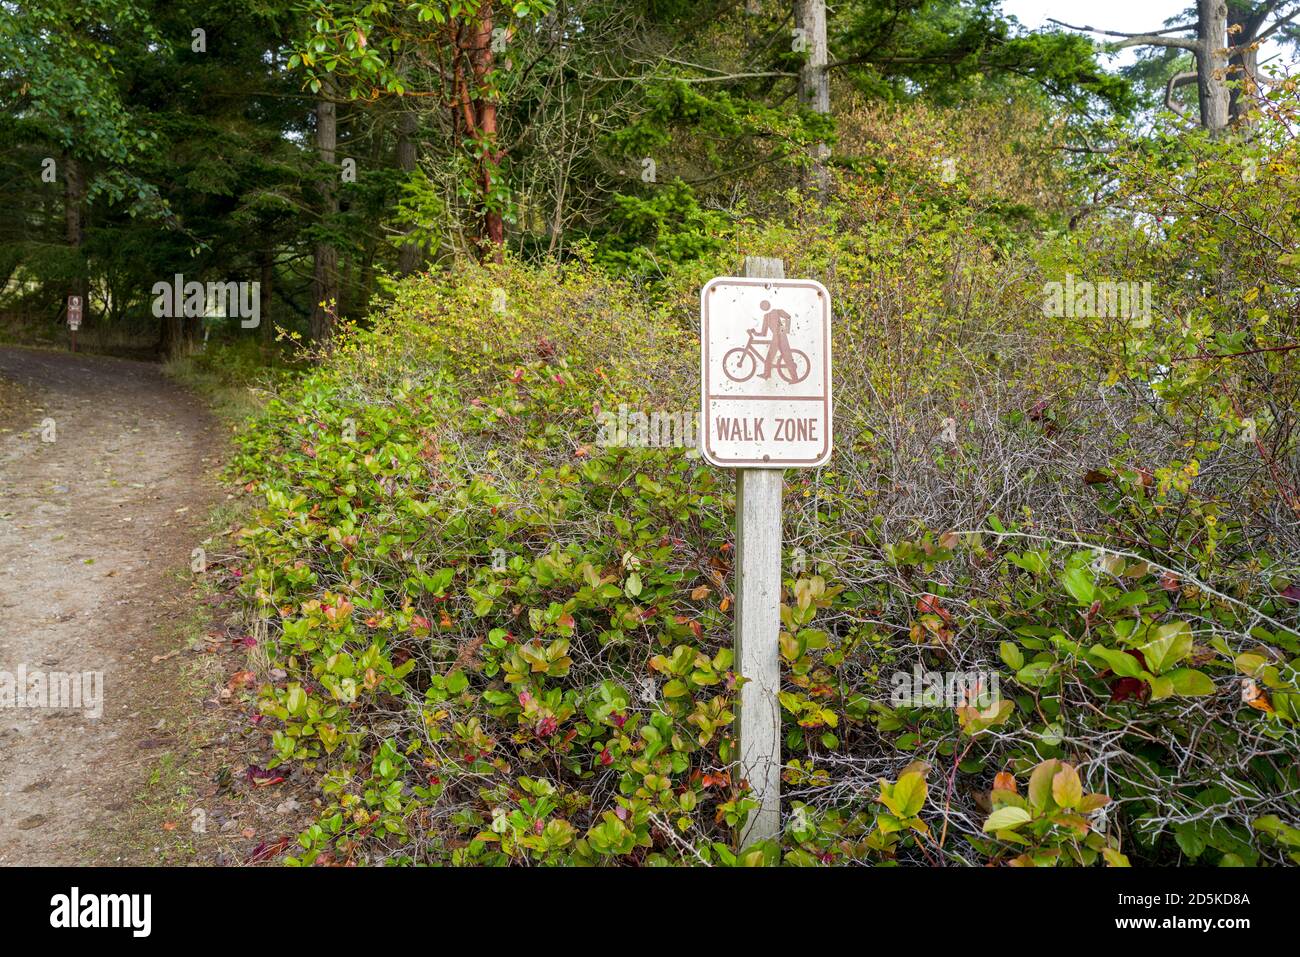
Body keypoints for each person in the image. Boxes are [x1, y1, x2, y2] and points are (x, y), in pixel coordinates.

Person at [753, 299, 794, 380]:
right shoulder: (766, 316)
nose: (764, 307)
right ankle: (767, 374)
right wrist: (754, 333)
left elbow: (788, 317)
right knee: (769, 357)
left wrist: (784, 330)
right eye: (763, 307)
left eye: (765, 305)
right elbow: (763, 333)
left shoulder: (777, 311)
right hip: (775, 337)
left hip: (782, 336)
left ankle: (795, 378)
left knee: (787, 357)